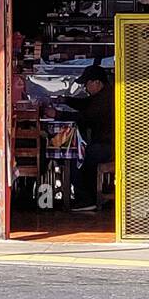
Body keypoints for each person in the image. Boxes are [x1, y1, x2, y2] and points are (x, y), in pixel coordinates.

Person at [50, 65, 114, 209]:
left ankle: (86, 198)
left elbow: (85, 117)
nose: (85, 87)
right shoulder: (102, 95)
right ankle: (91, 196)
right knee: (83, 153)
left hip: (108, 147)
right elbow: (86, 104)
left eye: (87, 84)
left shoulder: (105, 99)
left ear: (97, 82)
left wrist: (57, 115)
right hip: (106, 144)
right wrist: (66, 100)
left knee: (78, 157)